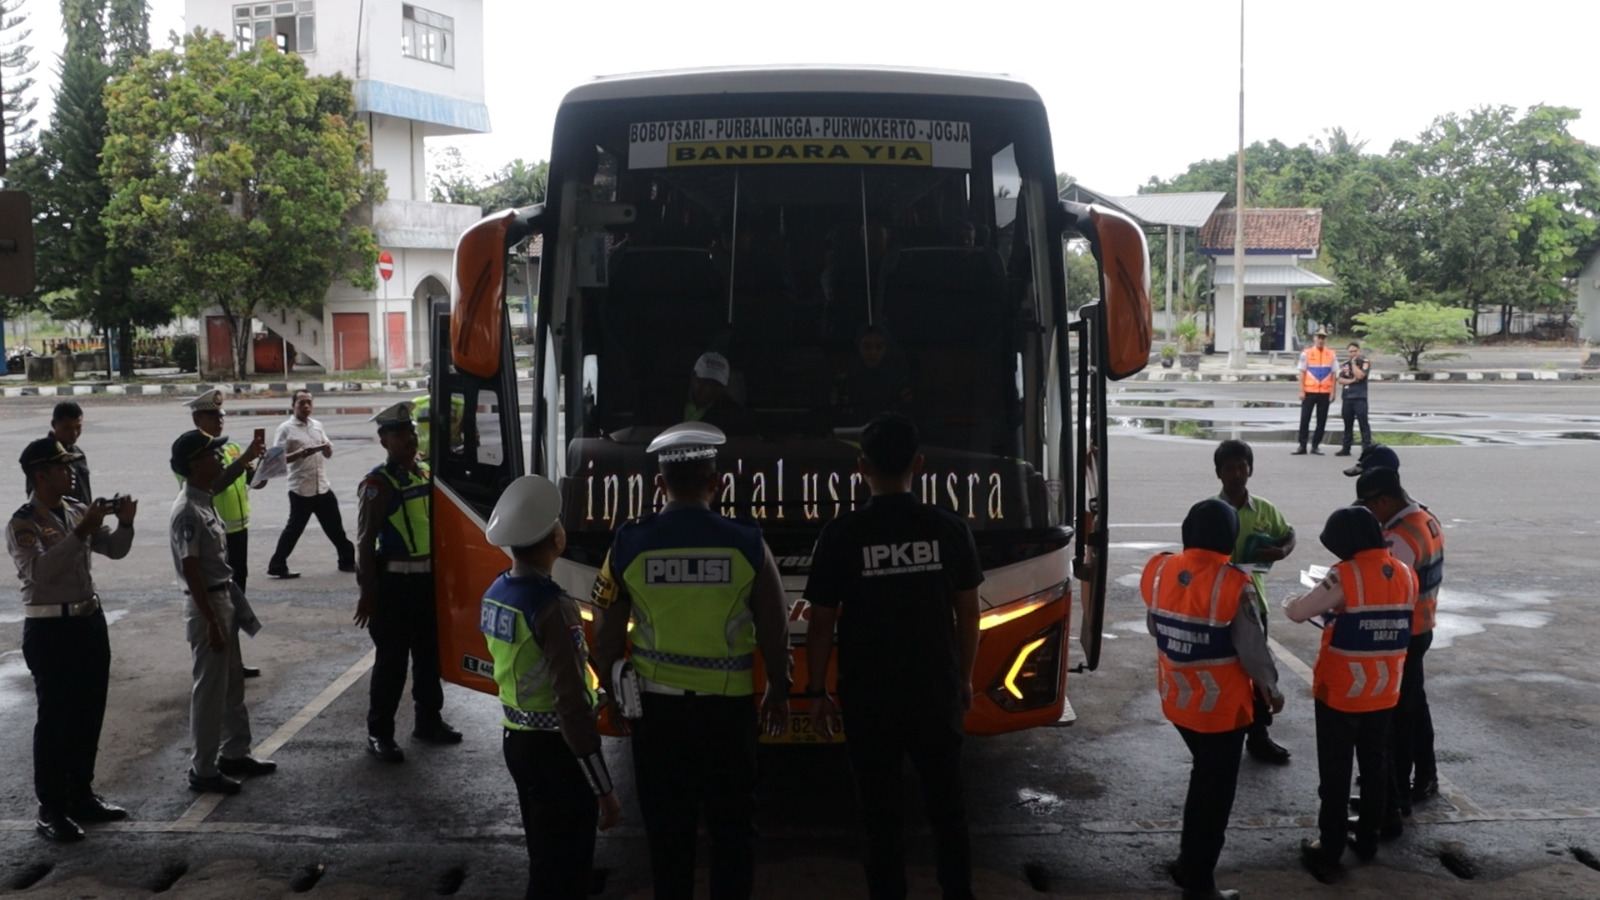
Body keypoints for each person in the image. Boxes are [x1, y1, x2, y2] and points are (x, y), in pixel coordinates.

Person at [591, 421, 791, 900]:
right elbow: (775, 625)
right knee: (733, 831)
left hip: (657, 717)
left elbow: (605, 632)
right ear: (716, 482)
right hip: (728, 715)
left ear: (659, 485)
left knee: (667, 833)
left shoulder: (629, 542)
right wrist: (779, 688)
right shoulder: (747, 542)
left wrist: (610, 691)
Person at [803, 413, 982, 900]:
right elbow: (968, 614)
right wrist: (964, 678)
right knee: (948, 808)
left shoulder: (841, 535)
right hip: (935, 689)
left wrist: (817, 691)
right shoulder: (950, 529)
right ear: (918, 464)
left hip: (869, 697)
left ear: (862, 467)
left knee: (879, 814)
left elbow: (821, 622)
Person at [481, 475, 622, 898]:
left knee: (544, 855)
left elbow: (526, 667)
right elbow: (571, 705)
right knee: (565, 870)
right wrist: (604, 789)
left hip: (516, 739)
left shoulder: (497, 591)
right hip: (556, 750)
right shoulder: (553, 606)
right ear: (556, 538)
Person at [1142, 498, 1281, 900]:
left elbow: (1155, 626)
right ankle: (1200, 882)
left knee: (1203, 781)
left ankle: (1188, 863)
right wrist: (1271, 690)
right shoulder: (1234, 584)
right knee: (1214, 797)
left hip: (1178, 698)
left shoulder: (1160, 569)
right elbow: (1253, 650)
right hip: (1221, 710)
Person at [8, 438, 136, 842]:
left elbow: (114, 550)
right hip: (51, 630)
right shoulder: (23, 523)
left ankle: (81, 794)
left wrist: (125, 523)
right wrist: (81, 531)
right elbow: (41, 572)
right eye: (63, 468)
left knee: (89, 711)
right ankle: (51, 808)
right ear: (41, 474)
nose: (72, 474)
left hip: (88, 622)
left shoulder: (78, 510)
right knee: (56, 720)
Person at [1285, 506, 1415, 882]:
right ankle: (1368, 837)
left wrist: (1290, 601)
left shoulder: (1345, 574)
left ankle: (1329, 845)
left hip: (1342, 691)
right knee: (1375, 766)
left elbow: (1299, 612)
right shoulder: (1405, 573)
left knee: (1336, 772)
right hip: (1385, 688)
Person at [168, 429, 276, 795]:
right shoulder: (187, 510)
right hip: (207, 605)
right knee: (210, 691)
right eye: (212, 454)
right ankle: (202, 769)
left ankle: (235, 753)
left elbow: (228, 477)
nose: (219, 458)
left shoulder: (204, 497)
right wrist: (212, 620)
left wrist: (246, 459)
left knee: (231, 685)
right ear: (195, 464)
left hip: (222, 597)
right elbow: (192, 570)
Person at [353, 402, 461, 761]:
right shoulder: (378, 483)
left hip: (427, 583)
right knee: (392, 664)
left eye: (411, 432)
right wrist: (367, 592)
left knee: (429, 658)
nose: (409, 439)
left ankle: (428, 721)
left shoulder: (426, 473)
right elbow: (365, 541)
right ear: (384, 441)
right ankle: (379, 733)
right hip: (394, 587)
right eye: (399, 434)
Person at [1357, 465, 1444, 815]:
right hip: (1423, 626)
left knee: (1398, 718)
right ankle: (1422, 776)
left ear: (1384, 501)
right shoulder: (1426, 519)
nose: (1369, 514)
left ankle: (1396, 791)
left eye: (1369, 506)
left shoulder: (1399, 539)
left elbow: (1386, 589)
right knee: (1414, 708)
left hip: (1404, 634)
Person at [1212, 439, 1297, 765]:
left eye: (1242, 467)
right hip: (1217, 604)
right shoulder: (1209, 510)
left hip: (1252, 602)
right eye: (1229, 468)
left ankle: (1259, 734)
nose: (1236, 474)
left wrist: (1282, 551)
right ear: (1218, 472)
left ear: (1250, 470)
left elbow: (1288, 533)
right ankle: (1224, 727)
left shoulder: (1264, 509)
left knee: (1258, 667)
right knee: (1224, 669)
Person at [185, 390, 267, 678]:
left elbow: (251, 481)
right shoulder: (189, 453)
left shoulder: (230, 447)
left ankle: (233, 659)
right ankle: (220, 657)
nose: (220, 421)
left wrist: (265, 466)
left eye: (221, 415)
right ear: (197, 419)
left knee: (236, 596)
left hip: (238, 530)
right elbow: (214, 486)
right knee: (218, 599)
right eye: (212, 416)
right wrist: (243, 460)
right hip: (213, 536)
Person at [266, 390, 356, 578]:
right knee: (294, 530)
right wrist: (299, 454)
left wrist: (327, 449)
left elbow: (328, 453)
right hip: (301, 488)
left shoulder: (317, 426)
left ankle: (347, 561)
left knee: (336, 528)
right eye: (301, 403)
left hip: (321, 486)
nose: (306, 406)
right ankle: (277, 565)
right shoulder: (285, 429)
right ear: (293, 405)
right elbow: (277, 459)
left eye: (309, 402)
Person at [836, 325, 913, 425]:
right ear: (858, 348)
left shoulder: (899, 383)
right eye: (866, 347)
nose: (873, 352)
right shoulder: (845, 382)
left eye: (879, 347)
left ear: (886, 349)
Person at [25, 401, 92, 505]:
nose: (74, 433)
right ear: (54, 424)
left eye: (78, 428)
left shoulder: (78, 454)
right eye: (67, 428)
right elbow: (36, 496)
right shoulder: (41, 454)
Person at [682, 351, 755, 434]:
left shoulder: (734, 416)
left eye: (716, 384)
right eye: (704, 381)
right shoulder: (671, 401)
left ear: (724, 387)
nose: (708, 389)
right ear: (693, 376)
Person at [1293, 329, 1337, 456]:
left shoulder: (1331, 354)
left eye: (1323, 338)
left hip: (1324, 392)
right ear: (1314, 338)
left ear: (1326, 339)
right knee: (1305, 419)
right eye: (1319, 337)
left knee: (1321, 421)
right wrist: (1301, 390)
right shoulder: (1306, 353)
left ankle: (1315, 446)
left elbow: (1334, 374)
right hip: (1309, 391)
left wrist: (1333, 392)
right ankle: (1302, 445)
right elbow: (1302, 372)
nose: (1321, 340)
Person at [1335, 342, 1372, 457]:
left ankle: (1366, 448)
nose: (1353, 353)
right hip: (1347, 398)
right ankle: (1346, 448)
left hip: (1360, 398)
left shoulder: (1365, 362)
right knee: (1347, 424)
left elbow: (1360, 376)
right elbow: (1340, 380)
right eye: (1350, 351)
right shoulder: (1345, 364)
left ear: (1359, 351)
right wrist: (1352, 381)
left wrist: (1354, 364)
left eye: (1355, 351)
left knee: (1363, 424)